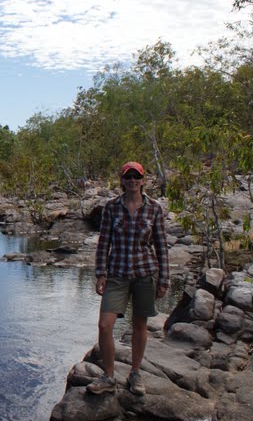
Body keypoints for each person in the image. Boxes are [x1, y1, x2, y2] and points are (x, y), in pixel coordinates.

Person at [86, 161, 169, 396]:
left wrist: (164, 280)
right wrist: (100, 273)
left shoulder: (154, 209)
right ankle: (108, 376)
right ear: (122, 180)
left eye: (137, 176)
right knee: (104, 326)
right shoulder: (112, 208)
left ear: (143, 180)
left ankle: (135, 373)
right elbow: (104, 243)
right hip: (117, 274)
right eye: (128, 176)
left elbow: (162, 246)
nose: (132, 180)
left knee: (139, 325)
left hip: (145, 273)